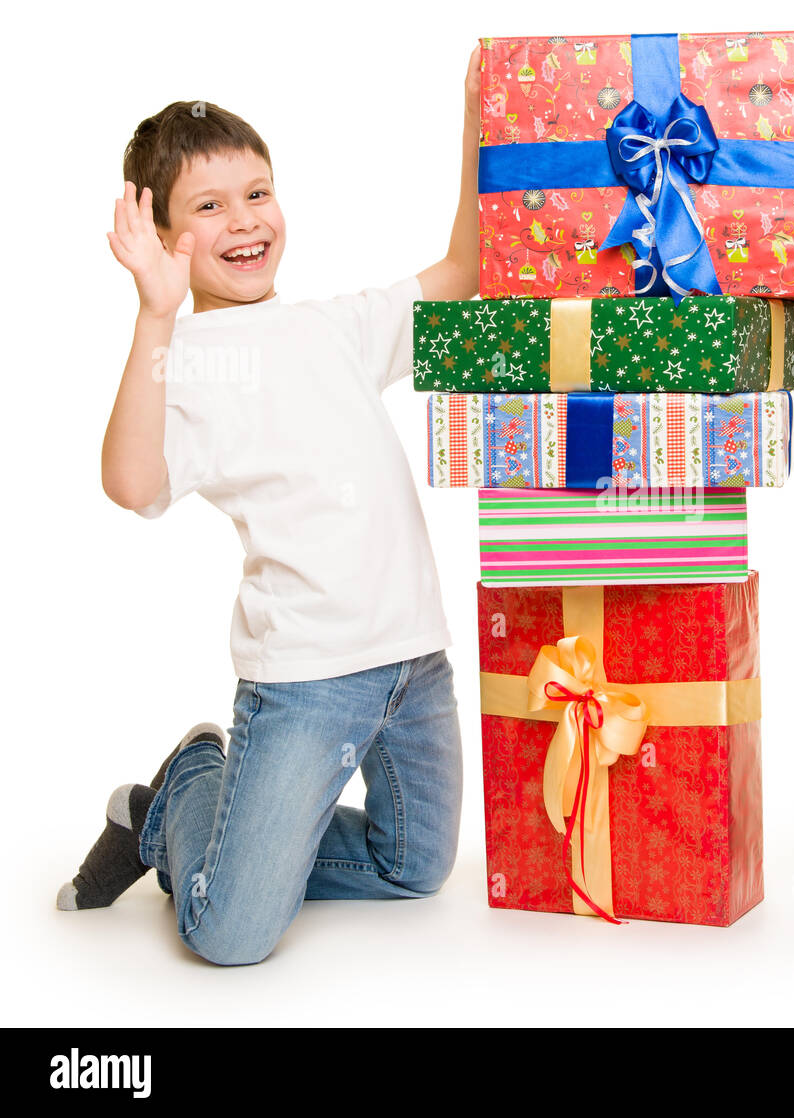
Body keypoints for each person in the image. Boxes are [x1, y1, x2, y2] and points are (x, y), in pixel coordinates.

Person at [56, 49, 483, 964]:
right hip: (308, 680)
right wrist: (155, 316)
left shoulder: (336, 325)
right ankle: (187, 788)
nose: (243, 222)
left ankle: (242, 836)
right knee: (231, 934)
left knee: (414, 868)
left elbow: (465, 268)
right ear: (162, 236)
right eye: (207, 208)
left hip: (413, 660)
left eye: (257, 193)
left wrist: (483, 120)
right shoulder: (188, 360)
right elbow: (131, 485)